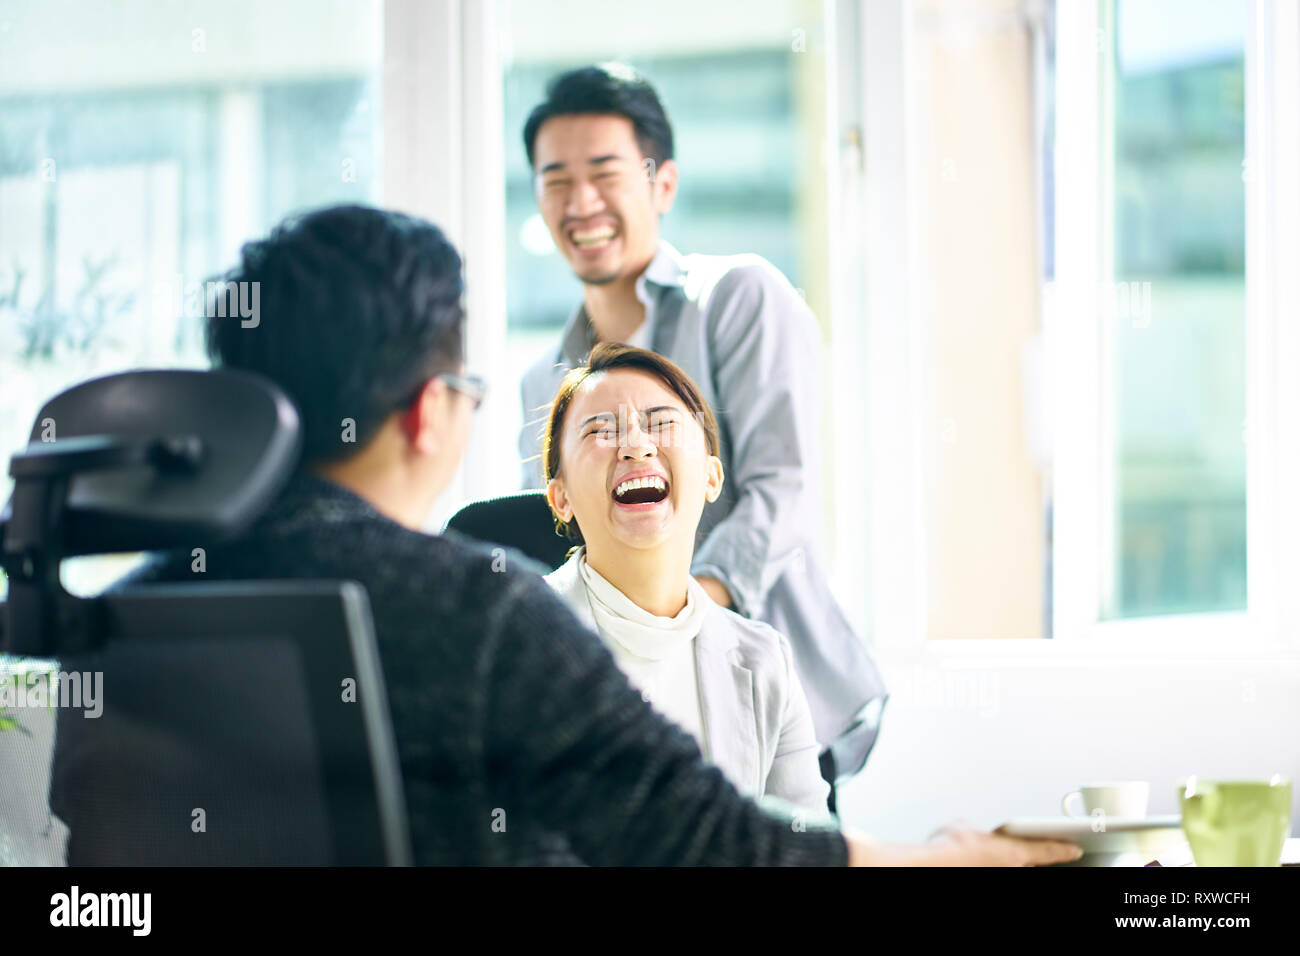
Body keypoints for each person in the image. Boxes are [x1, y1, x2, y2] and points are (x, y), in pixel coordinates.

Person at [57, 204, 1078, 866]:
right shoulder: (478, 609)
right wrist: (958, 857)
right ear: (428, 412)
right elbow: (713, 848)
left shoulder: (128, 610)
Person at [517, 64, 886, 796]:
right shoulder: (544, 380)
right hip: (617, 719)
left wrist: (679, 625)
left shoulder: (738, 297)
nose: (580, 201)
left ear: (662, 186)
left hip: (776, 705)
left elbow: (783, 492)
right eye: (555, 179)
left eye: (604, 172)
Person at [542, 343, 827, 814]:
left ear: (713, 477)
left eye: (662, 423)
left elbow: (809, 844)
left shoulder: (765, 664)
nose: (636, 445)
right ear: (560, 497)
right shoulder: (510, 643)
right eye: (600, 430)